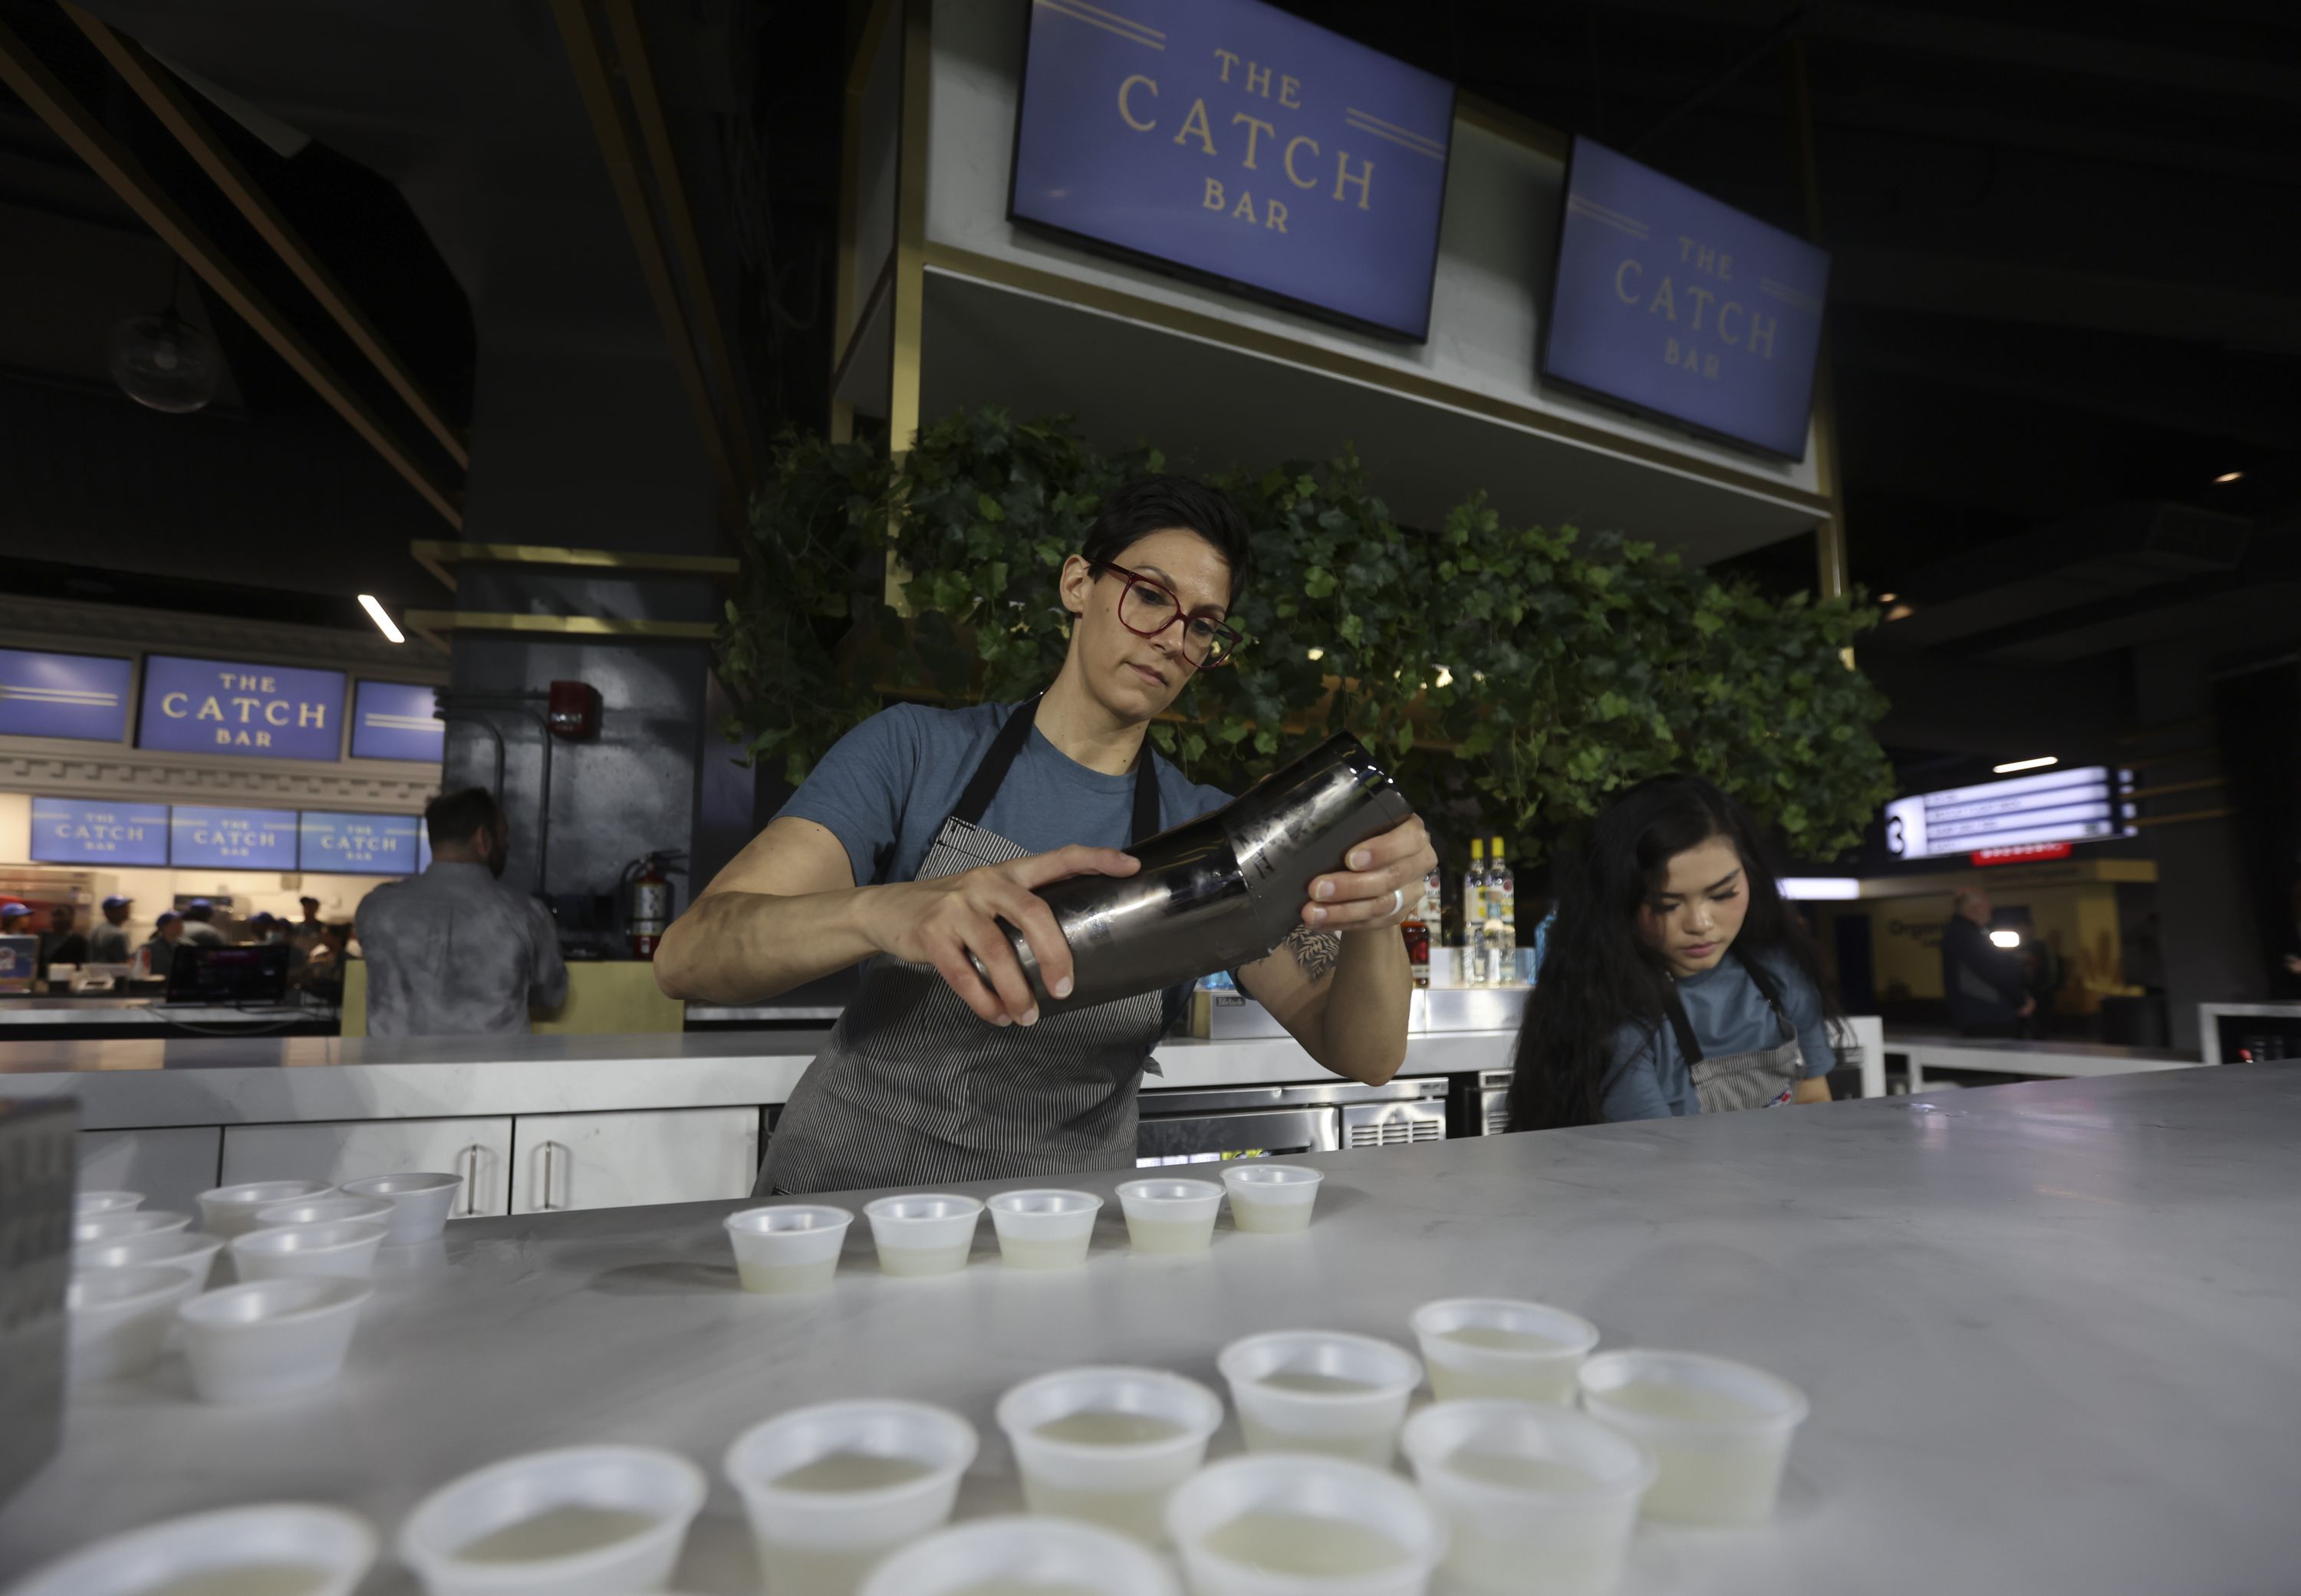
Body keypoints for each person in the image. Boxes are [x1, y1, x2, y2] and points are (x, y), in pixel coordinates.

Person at [656, 475, 1435, 1195]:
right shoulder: (914, 752)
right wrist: (881, 909)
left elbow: (1364, 1053)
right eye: (1151, 596)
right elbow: (691, 953)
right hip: (843, 1205)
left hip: (1056, 1236)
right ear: (1077, 583)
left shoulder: (1212, 840)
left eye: (1204, 626)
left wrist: (1376, 911)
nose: (1173, 638)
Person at [1506, 775, 1841, 1130]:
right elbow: (1659, 1158)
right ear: (1619, 902)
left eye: (1723, 894)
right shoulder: (1614, 1011)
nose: (1699, 923)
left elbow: (1814, 1100)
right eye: (1665, 905)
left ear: (1751, 877)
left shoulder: (1779, 974)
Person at [354, 788, 568, 1038]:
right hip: (495, 1073)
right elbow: (552, 995)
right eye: (503, 835)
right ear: (482, 839)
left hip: (391, 1073)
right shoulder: (527, 913)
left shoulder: (376, 908)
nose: (507, 846)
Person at [1941, 887, 2034, 1038]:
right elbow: (1996, 971)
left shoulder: (1960, 933)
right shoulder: (1967, 935)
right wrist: (2021, 1001)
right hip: (1990, 1017)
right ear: (1975, 909)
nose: (1991, 911)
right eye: (1988, 906)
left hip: (1979, 1016)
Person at [138, 910, 185, 980]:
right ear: (163, 926)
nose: (180, 925)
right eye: (175, 923)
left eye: (180, 922)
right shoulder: (148, 948)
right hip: (156, 986)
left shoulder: (187, 946)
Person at [41, 903, 90, 969]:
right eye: (54, 915)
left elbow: (82, 966)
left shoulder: (79, 942)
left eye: (61, 915)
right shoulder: (43, 937)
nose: (57, 919)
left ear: (71, 918)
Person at [88, 895, 135, 965]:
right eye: (122, 908)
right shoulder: (118, 935)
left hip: (94, 973)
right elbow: (125, 963)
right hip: (113, 974)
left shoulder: (95, 930)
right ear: (108, 912)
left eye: (126, 907)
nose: (127, 910)